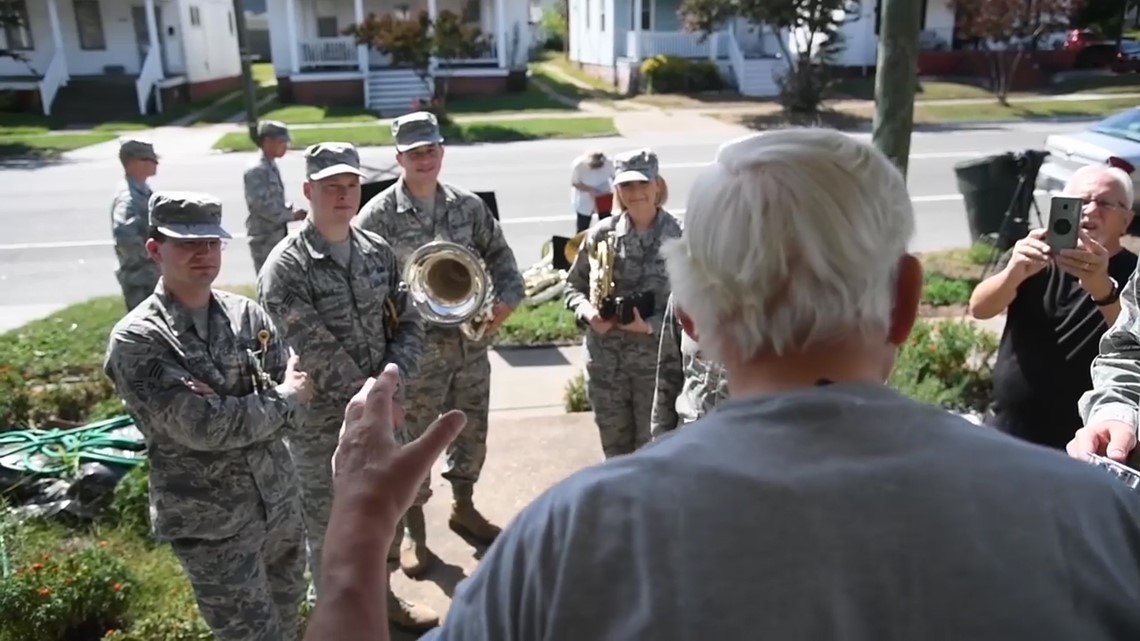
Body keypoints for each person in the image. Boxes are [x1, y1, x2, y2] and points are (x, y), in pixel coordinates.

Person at [306, 128, 1140, 641]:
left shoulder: (570, 540)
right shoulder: (1097, 517)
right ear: (906, 302)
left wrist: (355, 540)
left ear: (695, 320)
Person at [103, 191, 312, 641]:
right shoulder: (139, 340)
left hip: (279, 506)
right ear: (155, 249)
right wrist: (281, 400)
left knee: (291, 624)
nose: (203, 253)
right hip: (216, 530)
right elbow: (203, 428)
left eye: (212, 243)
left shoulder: (245, 314)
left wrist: (263, 404)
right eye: (187, 243)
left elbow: (301, 397)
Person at [257, 142, 433, 631]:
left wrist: (395, 380)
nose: (343, 195)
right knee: (331, 532)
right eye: (331, 186)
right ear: (308, 191)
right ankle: (338, 626)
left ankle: (380, 606)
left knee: (379, 521)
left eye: (351, 185)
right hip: (323, 432)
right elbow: (313, 347)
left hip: (385, 414)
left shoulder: (377, 251)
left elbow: (409, 320)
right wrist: (379, 398)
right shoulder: (286, 267)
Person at [353, 111, 525, 573]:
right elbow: (366, 287)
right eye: (414, 153)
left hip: (470, 347)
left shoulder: (469, 207)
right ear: (398, 159)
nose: (424, 159)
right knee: (416, 446)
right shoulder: (377, 216)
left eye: (431, 150)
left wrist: (504, 305)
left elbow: (505, 264)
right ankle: (415, 536)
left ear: (441, 152)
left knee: (472, 436)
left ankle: (464, 508)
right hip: (415, 356)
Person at [969, 164, 1137, 450]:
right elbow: (980, 308)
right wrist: (1013, 273)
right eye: (1080, 201)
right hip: (1008, 428)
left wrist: (1102, 289)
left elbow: (1133, 344)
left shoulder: (1134, 273)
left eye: (1105, 203)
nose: (1090, 210)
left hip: (1084, 440)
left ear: (1126, 221)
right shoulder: (1036, 253)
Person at [564, 148, 682, 458]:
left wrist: (650, 326)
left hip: (656, 368)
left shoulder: (681, 238)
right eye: (627, 186)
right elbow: (573, 286)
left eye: (643, 184)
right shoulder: (601, 234)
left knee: (655, 454)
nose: (636, 193)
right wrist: (589, 313)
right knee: (615, 455)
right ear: (617, 189)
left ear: (658, 185)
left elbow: (697, 305)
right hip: (608, 367)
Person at [650, 292, 728, 440]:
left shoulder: (775, 303)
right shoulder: (685, 293)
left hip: (745, 446)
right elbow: (667, 378)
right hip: (689, 437)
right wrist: (658, 439)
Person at [244, 120, 307, 275]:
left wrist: (286, 207)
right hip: (264, 240)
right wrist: (292, 215)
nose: (285, 146)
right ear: (267, 141)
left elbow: (271, 199)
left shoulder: (270, 165)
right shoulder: (257, 170)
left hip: (276, 236)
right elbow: (263, 207)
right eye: (281, 141)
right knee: (268, 282)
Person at [111, 138, 162, 311]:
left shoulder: (142, 190)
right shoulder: (128, 198)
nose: (156, 163)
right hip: (140, 278)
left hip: (149, 274)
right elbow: (125, 238)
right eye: (149, 159)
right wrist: (153, 256)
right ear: (133, 162)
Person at [570, 150, 614, 233]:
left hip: (603, 196)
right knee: (583, 227)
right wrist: (590, 190)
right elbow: (574, 183)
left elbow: (615, 178)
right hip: (585, 198)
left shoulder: (609, 163)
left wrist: (612, 192)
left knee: (606, 226)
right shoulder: (579, 165)